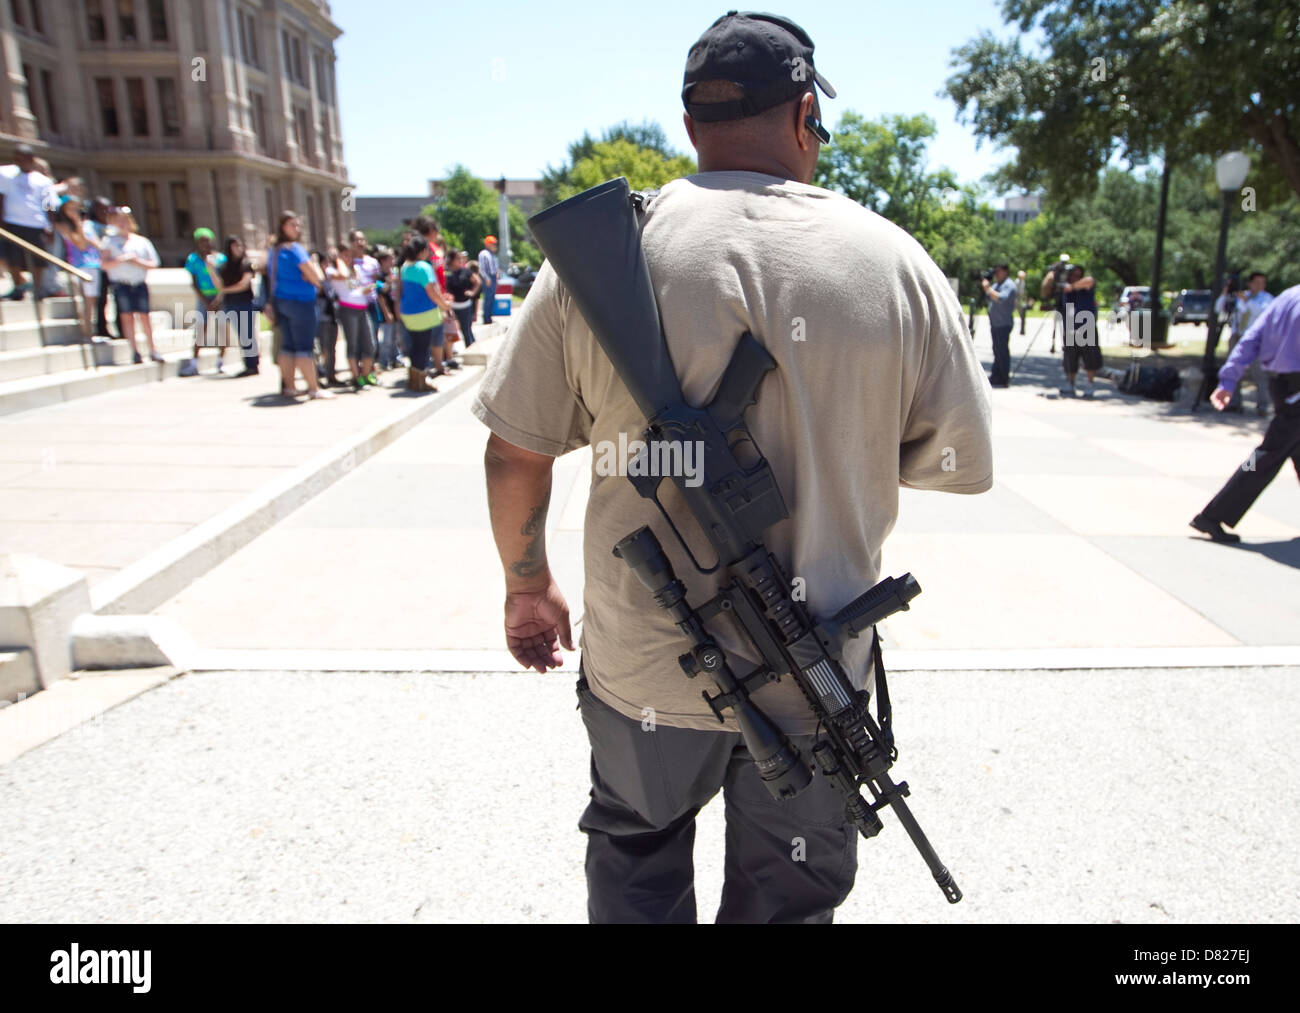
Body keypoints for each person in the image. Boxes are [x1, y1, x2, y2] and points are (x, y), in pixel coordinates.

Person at [474, 10, 993, 924]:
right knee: (787, 907)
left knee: (636, 884)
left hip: (643, 665)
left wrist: (528, 586)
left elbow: (515, 450)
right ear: (805, 117)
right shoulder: (895, 263)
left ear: (690, 128)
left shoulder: (602, 261)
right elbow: (950, 461)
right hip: (818, 674)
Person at [1190, 283, 1300, 544]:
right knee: (1264, 456)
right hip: (1296, 390)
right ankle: (1212, 515)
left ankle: (1213, 515)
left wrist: (1228, 380)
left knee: (1284, 451)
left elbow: (1251, 338)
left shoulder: (1287, 297)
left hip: (1281, 384)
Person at [267, 211, 332, 400]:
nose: (297, 229)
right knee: (304, 346)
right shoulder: (295, 249)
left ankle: (290, 387)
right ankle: (313, 388)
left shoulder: (274, 249)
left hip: (281, 301)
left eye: (298, 225)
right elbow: (317, 277)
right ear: (282, 227)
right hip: (301, 303)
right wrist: (312, 266)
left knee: (287, 346)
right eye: (292, 225)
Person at [100, 207, 162, 364]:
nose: (121, 223)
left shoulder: (141, 241)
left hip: (139, 283)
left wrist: (136, 262)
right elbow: (103, 264)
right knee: (126, 318)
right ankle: (134, 351)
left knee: (144, 317)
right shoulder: (109, 242)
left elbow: (154, 263)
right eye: (118, 220)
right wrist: (120, 260)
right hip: (121, 284)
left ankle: (153, 349)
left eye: (124, 220)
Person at [0, 144, 54, 301]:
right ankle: (18, 287)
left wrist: (50, 227)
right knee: (13, 257)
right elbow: (1, 198)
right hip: (12, 222)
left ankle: (38, 289)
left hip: (36, 224)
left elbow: (48, 205)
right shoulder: (5, 173)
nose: (20, 161)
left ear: (31, 159)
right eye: (17, 158)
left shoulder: (43, 181)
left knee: (38, 259)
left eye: (23, 158)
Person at [397, 235, 447, 393]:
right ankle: (421, 381)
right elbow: (431, 291)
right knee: (423, 348)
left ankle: (414, 380)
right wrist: (444, 305)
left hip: (408, 313)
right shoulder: (423, 267)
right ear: (423, 250)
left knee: (414, 347)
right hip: (424, 313)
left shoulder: (405, 266)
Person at [1225, 272, 1274, 415]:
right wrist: (1226, 292)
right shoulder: (1241, 296)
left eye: (1263, 283)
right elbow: (1223, 309)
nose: (1260, 286)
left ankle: (1262, 406)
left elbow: (1262, 314)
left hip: (1256, 339)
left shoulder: (1267, 299)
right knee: (1234, 370)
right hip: (1238, 336)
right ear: (1250, 283)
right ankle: (1234, 403)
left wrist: (1247, 301)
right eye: (1257, 282)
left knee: (1259, 373)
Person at [51, 198, 101, 340]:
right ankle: (86, 333)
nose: (74, 212)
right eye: (70, 209)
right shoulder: (64, 226)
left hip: (93, 265)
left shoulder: (88, 225)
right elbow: (80, 244)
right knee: (83, 301)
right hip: (78, 267)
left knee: (91, 302)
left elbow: (98, 244)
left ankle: (90, 331)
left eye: (76, 208)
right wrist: (78, 224)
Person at [211, 235, 260, 377]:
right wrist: (211, 269)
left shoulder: (246, 264)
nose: (237, 249)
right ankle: (248, 364)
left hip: (244, 301)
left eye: (239, 246)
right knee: (241, 335)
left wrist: (224, 291)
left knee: (248, 334)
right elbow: (218, 285)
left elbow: (243, 284)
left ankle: (253, 364)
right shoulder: (225, 267)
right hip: (230, 303)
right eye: (234, 246)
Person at [183, 228, 229, 376]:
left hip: (219, 296)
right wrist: (205, 300)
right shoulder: (193, 259)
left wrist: (219, 298)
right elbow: (194, 282)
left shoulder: (220, 258)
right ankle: (194, 363)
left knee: (222, 329)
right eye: (202, 240)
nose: (205, 243)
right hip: (204, 298)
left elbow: (225, 280)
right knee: (200, 330)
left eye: (207, 240)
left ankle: (221, 362)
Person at [1059, 264, 1102, 397]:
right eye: (1073, 275)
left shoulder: (1085, 286)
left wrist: (1072, 286)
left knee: (1090, 357)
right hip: (1071, 325)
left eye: (1078, 275)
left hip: (1086, 325)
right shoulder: (1065, 288)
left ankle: (1090, 384)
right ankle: (1070, 383)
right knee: (1070, 357)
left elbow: (1090, 280)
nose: (1075, 277)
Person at [982, 262, 1017, 387]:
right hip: (995, 323)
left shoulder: (1009, 285)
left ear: (1005, 271)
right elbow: (988, 297)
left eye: (998, 271)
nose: (996, 274)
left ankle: (1003, 377)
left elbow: (1001, 298)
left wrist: (988, 288)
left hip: (1003, 323)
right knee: (996, 350)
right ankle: (996, 375)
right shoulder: (997, 284)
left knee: (1002, 351)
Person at [87, 198, 117, 338]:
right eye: (101, 209)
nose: (104, 212)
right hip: (97, 266)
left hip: (115, 267)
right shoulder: (89, 225)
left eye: (107, 209)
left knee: (116, 299)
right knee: (101, 300)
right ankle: (100, 327)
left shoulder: (113, 226)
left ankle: (119, 328)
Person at [446, 249, 480, 347]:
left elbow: (477, 282)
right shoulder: (447, 272)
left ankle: (471, 348)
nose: (460, 260)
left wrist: (472, 292)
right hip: (451, 305)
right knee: (450, 330)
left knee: (466, 329)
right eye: (457, 258)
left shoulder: (465, 271)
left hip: (464, 305)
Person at [478, 234, 499, 324]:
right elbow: (482, 268)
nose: (494, 246)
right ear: (487, 244)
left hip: (493, 277)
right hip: (488, 277)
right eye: (493, 244)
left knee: (492, 298)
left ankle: (490, 316)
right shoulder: (484, 254)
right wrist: (486, 278)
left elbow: (495, 266)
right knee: (488, 298)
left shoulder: (493, 255)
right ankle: (486, 318)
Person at [1016, 269, 1028, 335]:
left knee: (1022, 315)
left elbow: (1022, 292)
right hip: (1015, 299)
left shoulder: (1023, 282)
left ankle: (1022, 330)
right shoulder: (1017, 281)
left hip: (1019, 299)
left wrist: (1024, 298)